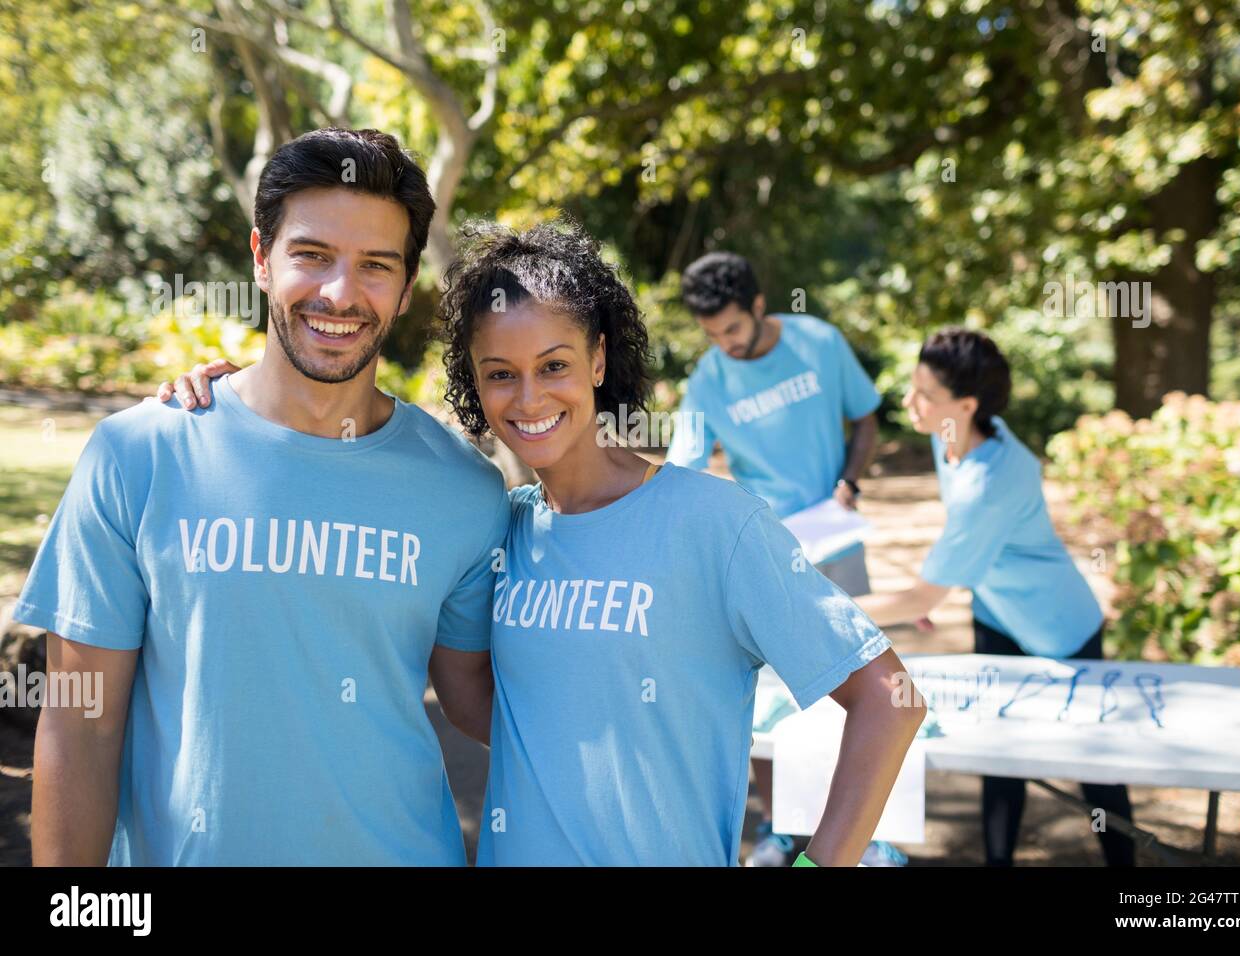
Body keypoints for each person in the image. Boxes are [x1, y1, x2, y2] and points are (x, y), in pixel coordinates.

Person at [162, 217, 928, 866]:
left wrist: (815, 866)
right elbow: (486, 701)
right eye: (500, 374)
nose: (528, 399)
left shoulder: (716, 524)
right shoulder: (498, 527)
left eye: (554, 365)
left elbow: (889, 701)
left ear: (598, 359)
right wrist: (244, 396)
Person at [15, 128, 510, 865]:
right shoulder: (140, 454)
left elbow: (490, 705)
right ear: (260, 259)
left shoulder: (466, 489)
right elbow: (80, 722)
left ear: (407, 288)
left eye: (376, 265)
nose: (340, 293)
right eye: (311, 255)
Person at [855, 327, 1136, 867]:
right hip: (997, 615)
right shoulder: (957, 433)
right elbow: (952, 559)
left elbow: (920, 601)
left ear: (966, 405)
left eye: (925, 396)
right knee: (1000, 755)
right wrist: (957, 574)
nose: (910, 403)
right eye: (912, 387)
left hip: (1060, 626)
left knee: (1095, 768)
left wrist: (831, 608)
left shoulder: (991, 480)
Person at [664, 251, 884, 863]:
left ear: (759, 307)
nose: (724, 344)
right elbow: (686, 465)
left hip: (834, 539)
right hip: (759, 552)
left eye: (732, 329)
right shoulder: (709, 376)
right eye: (711, 335)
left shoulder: (820, 342)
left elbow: (865, 417)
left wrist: (850, 481)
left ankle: (863, 833)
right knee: (765, 696)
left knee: (854, 686)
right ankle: (779, 827)